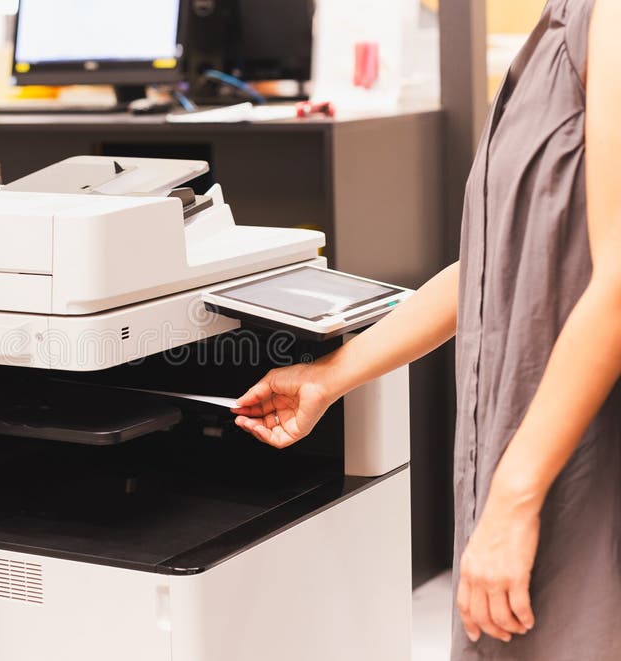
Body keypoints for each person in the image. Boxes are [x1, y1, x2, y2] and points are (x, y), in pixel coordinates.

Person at [232, 1, 621, 659]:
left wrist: (511, 500)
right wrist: (330, 376)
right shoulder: (559, 27)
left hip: (571, 472)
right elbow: (497, 264)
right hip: (527, 456)